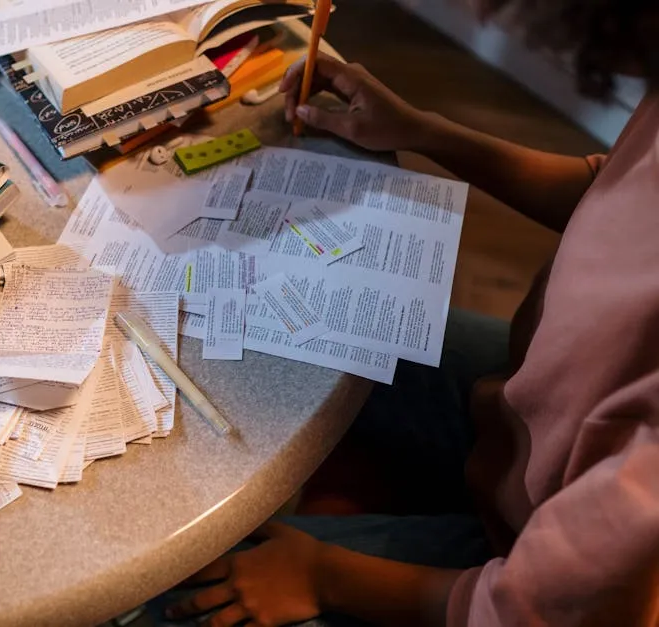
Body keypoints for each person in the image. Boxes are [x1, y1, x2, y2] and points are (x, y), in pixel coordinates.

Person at [160, 0, 659, 625]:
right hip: (523, 416)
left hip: (524, 572)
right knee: (290, 323)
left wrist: (322, 575)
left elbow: (545, 613)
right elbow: (614, 190)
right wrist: (424, 131)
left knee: (169, 598)